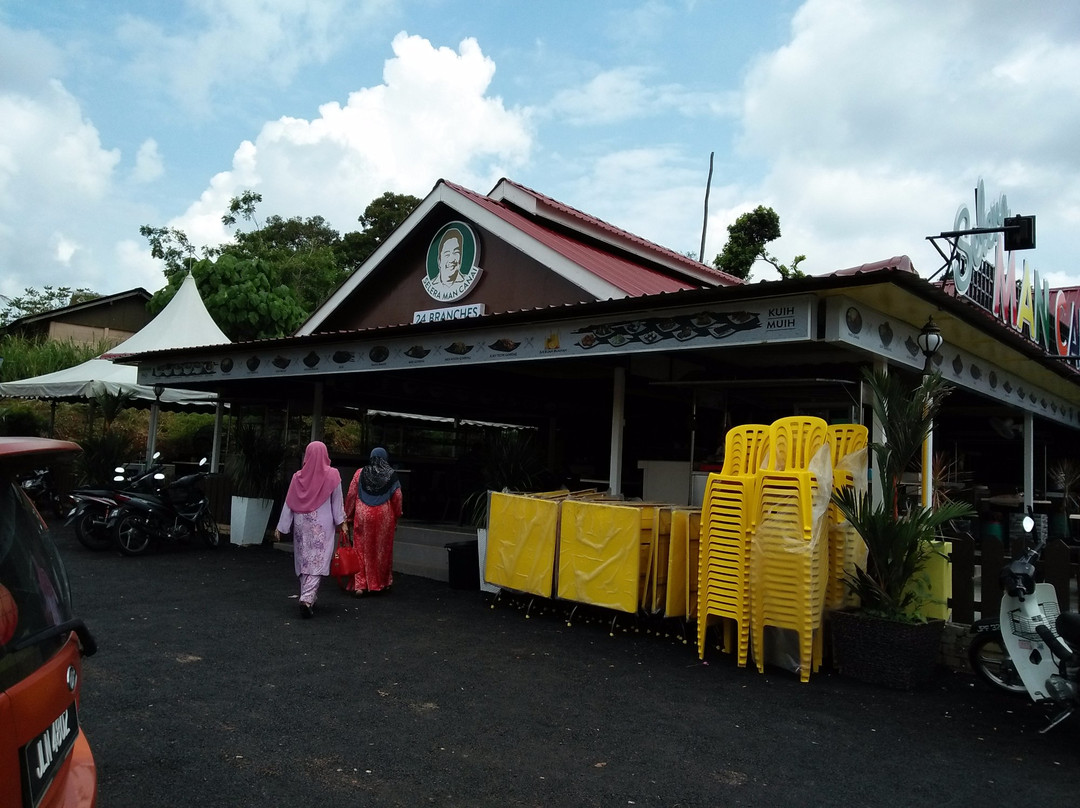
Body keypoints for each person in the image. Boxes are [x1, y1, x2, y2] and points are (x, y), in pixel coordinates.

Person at [273, 441, 346, 619]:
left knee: (304, 558)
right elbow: (337, 501)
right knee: (318, 560)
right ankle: (307, 598)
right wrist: (342, 521)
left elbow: (289, 502)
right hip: (322, 524)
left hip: (301, 523)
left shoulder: (298, 477)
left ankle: (308, 596)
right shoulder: (333, 475)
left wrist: (281, 527)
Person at [344, 447, 403, 596]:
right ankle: (382, 583)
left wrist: (348, 516)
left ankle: (360, 585)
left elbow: (351, 494)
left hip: (363, 514)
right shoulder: (391, 475)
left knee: (361, 548)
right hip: (384, 515)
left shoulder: (359, 473)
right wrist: (397, 514)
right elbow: (398, 496)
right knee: (382, 550)